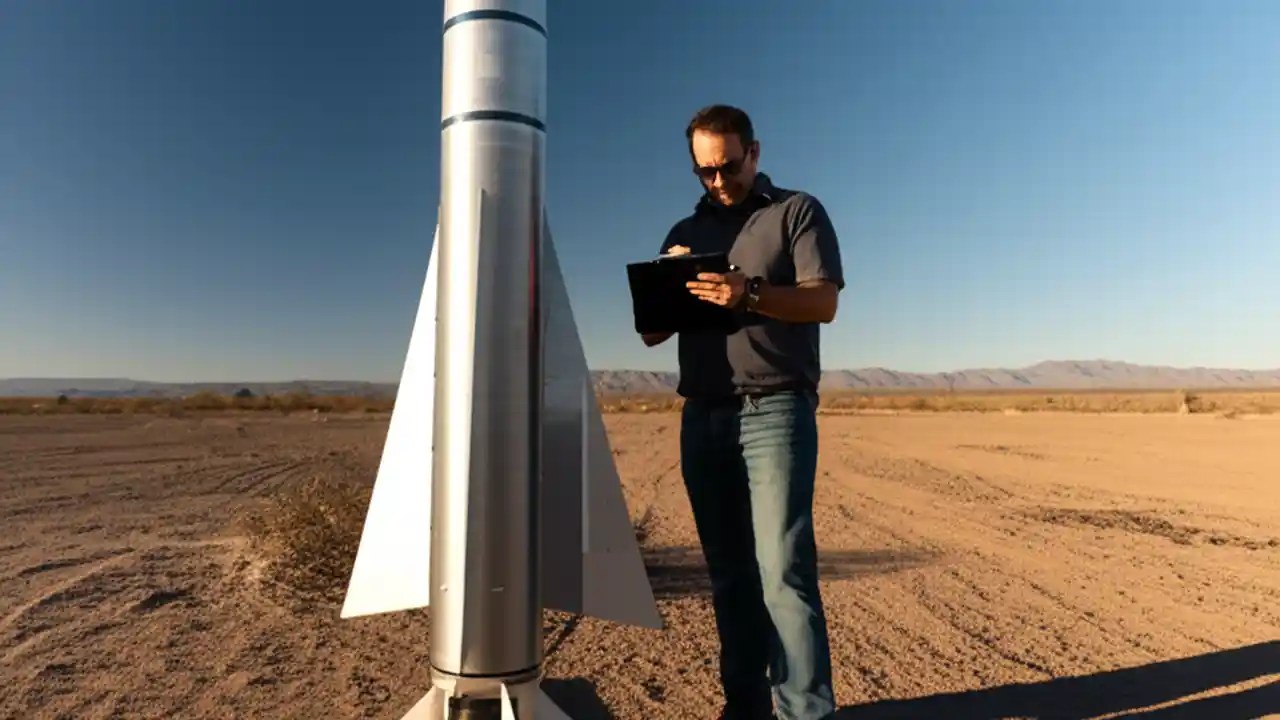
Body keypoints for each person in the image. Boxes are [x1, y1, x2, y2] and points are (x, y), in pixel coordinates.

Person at [641, 104, 843, 720]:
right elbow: (651, 334)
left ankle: (804, 712)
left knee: (782, 570)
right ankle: (746, 706)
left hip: (773, 407)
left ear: (753, 152)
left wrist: (748, 292)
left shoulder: (795, 212)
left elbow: (824, 301)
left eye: (728, 166)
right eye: (705, 172)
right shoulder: (686, 227)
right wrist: (668, 281)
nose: (719, 182)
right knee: (729, 574)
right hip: (702, 415)